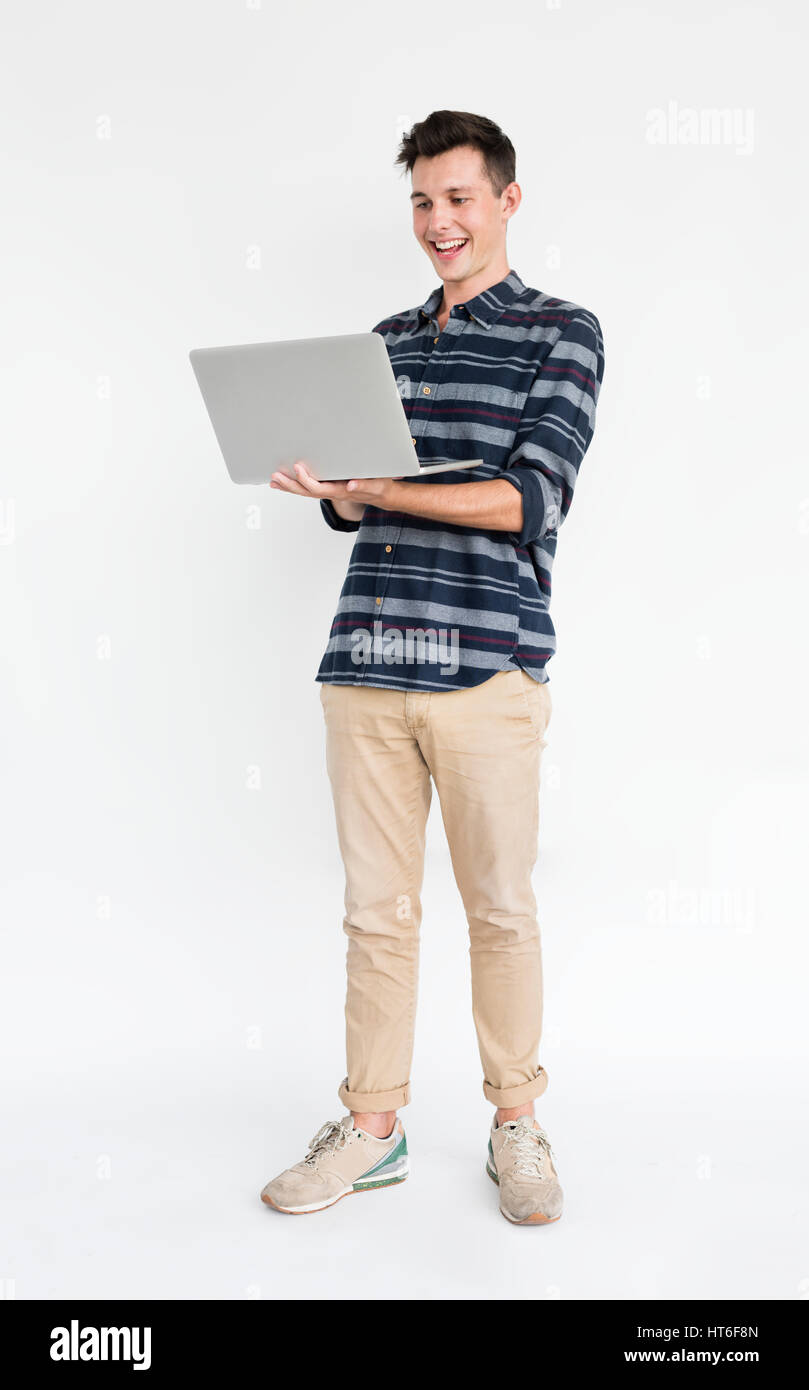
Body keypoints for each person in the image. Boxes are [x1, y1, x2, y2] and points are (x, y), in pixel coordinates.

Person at [260, 109, 605, 1224]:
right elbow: (359, 510)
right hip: (363, 660)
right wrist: (332, 490)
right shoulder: (384, 341)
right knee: (375, 913)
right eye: (420, 201)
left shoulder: (563, 331)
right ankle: (372, 1130)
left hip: (489, 670)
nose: (437, 222)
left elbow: (525, 499)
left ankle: (516, 1124)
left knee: (498, 909)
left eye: (457, 198)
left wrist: (384, 487)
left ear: (505, 200)